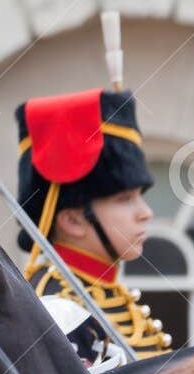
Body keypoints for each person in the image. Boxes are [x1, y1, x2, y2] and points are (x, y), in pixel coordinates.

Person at [16, 87, 170, 356]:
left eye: (139, 197)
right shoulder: (55, 308)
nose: (145, 212)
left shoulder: (111, 291)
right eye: (124, 199)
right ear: (73, 221)